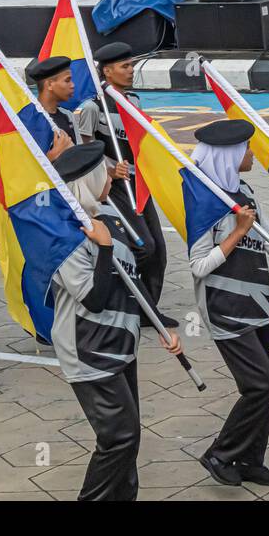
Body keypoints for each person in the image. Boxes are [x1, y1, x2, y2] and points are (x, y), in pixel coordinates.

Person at [50, 141, 179, 500]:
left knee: (129, 435)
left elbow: (131, 279)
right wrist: (103, 249)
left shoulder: (106, 216)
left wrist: (156, 323)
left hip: (121, 341)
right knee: (119, 437)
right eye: (103, 173)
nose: (110, 178)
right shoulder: (65, 235)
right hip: (88, 348)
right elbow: (93, 297)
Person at [189, 119, 269, 488]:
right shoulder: (206, 202)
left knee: (263, 387)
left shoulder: (243, 190)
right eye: (246, 149)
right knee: (262, 385)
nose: (251, 155)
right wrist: (238, 233)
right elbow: (198, 265)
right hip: (225, 308)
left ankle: (250, 459)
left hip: (258, 301)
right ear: (229, 154)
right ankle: (220, 452)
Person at [76, 43, 173, 327]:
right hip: (113, 187)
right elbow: (83, 153)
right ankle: (124, 298)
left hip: (138, 182)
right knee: (143, 247)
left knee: (159, 252)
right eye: (124, 66)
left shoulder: (133, 101)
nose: (131, 71)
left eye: (131, 65)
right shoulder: (92, 108)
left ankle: (147, 310)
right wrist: (108, 168)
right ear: (107, 71)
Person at [26, 55, 78, 153]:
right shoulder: (29, 119)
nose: (72, 85)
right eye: (67, 80)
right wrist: (54, 155)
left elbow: (79, 154)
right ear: (49, 84)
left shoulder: (68, 116)